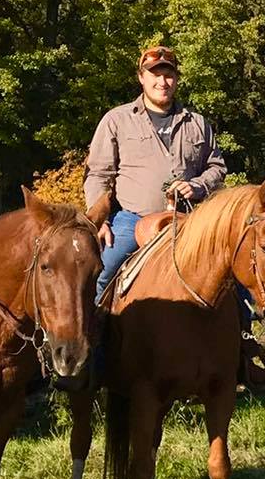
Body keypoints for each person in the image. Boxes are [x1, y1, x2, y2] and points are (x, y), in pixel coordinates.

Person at [84, 44, 228, 303]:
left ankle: (244, 337)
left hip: (189, 221)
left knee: (232, 275)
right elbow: (98, 174)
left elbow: (217, 167)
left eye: (169, 75)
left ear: (176, 79)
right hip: (131, 220)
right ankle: (93, 339)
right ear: (141, 77)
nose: (162, 82)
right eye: (155, 74)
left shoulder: (197, 123)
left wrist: (197, 186)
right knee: (102, 270)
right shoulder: (117, 120)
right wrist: (100, 221)